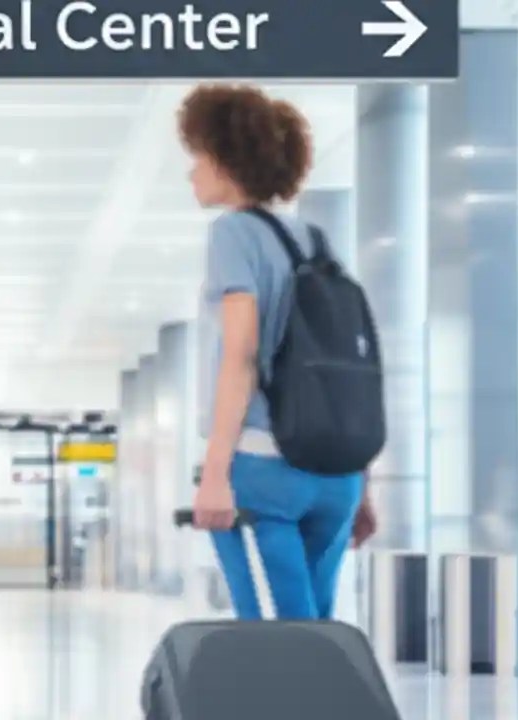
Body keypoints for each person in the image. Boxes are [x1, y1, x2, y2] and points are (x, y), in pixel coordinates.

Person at [181, 84, 377, 621]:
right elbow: (349, 371)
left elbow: (240, 353)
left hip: (264, 472)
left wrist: (215, 474)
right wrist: (362, 487)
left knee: (273, 640)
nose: (191, 172)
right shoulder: (315, 241)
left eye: (197, 157)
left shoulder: (233, 234)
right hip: (337, 476)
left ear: (225, 160)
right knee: (314, 632)